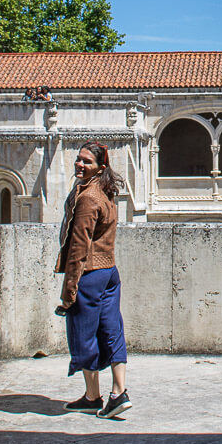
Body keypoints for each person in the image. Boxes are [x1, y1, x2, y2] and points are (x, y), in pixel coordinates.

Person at [53, 141, 131, 419]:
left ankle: (92, 396)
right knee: (112, 331)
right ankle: (119, 392)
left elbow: (78, 247)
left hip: (89, 274)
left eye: (87, 161)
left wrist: (69, 290)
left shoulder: (88, 198)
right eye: (78, 159)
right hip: (109, 271)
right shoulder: (106, 192)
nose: (79, 164)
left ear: (100, 167)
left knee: (84, 335)